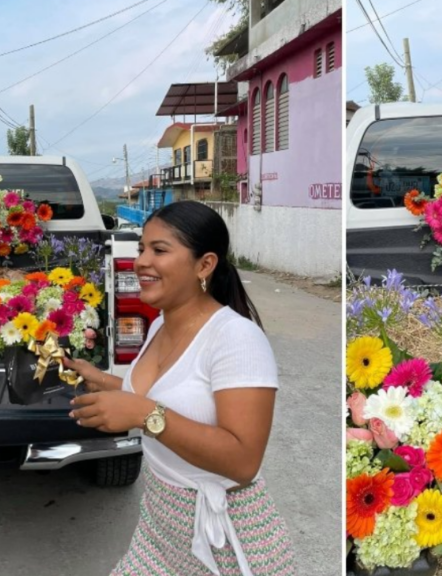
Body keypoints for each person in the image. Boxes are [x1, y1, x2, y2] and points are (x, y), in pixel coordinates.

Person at [63, 201, 296, 576]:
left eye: (159, 250)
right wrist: (98, 378)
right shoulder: (159, 327)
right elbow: (163, 394)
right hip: (160, 526)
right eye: (141, 248)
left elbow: (243, 462)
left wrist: (142, 415)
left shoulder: (236, 339)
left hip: (228, 541)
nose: (141, 261)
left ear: (204, 264)